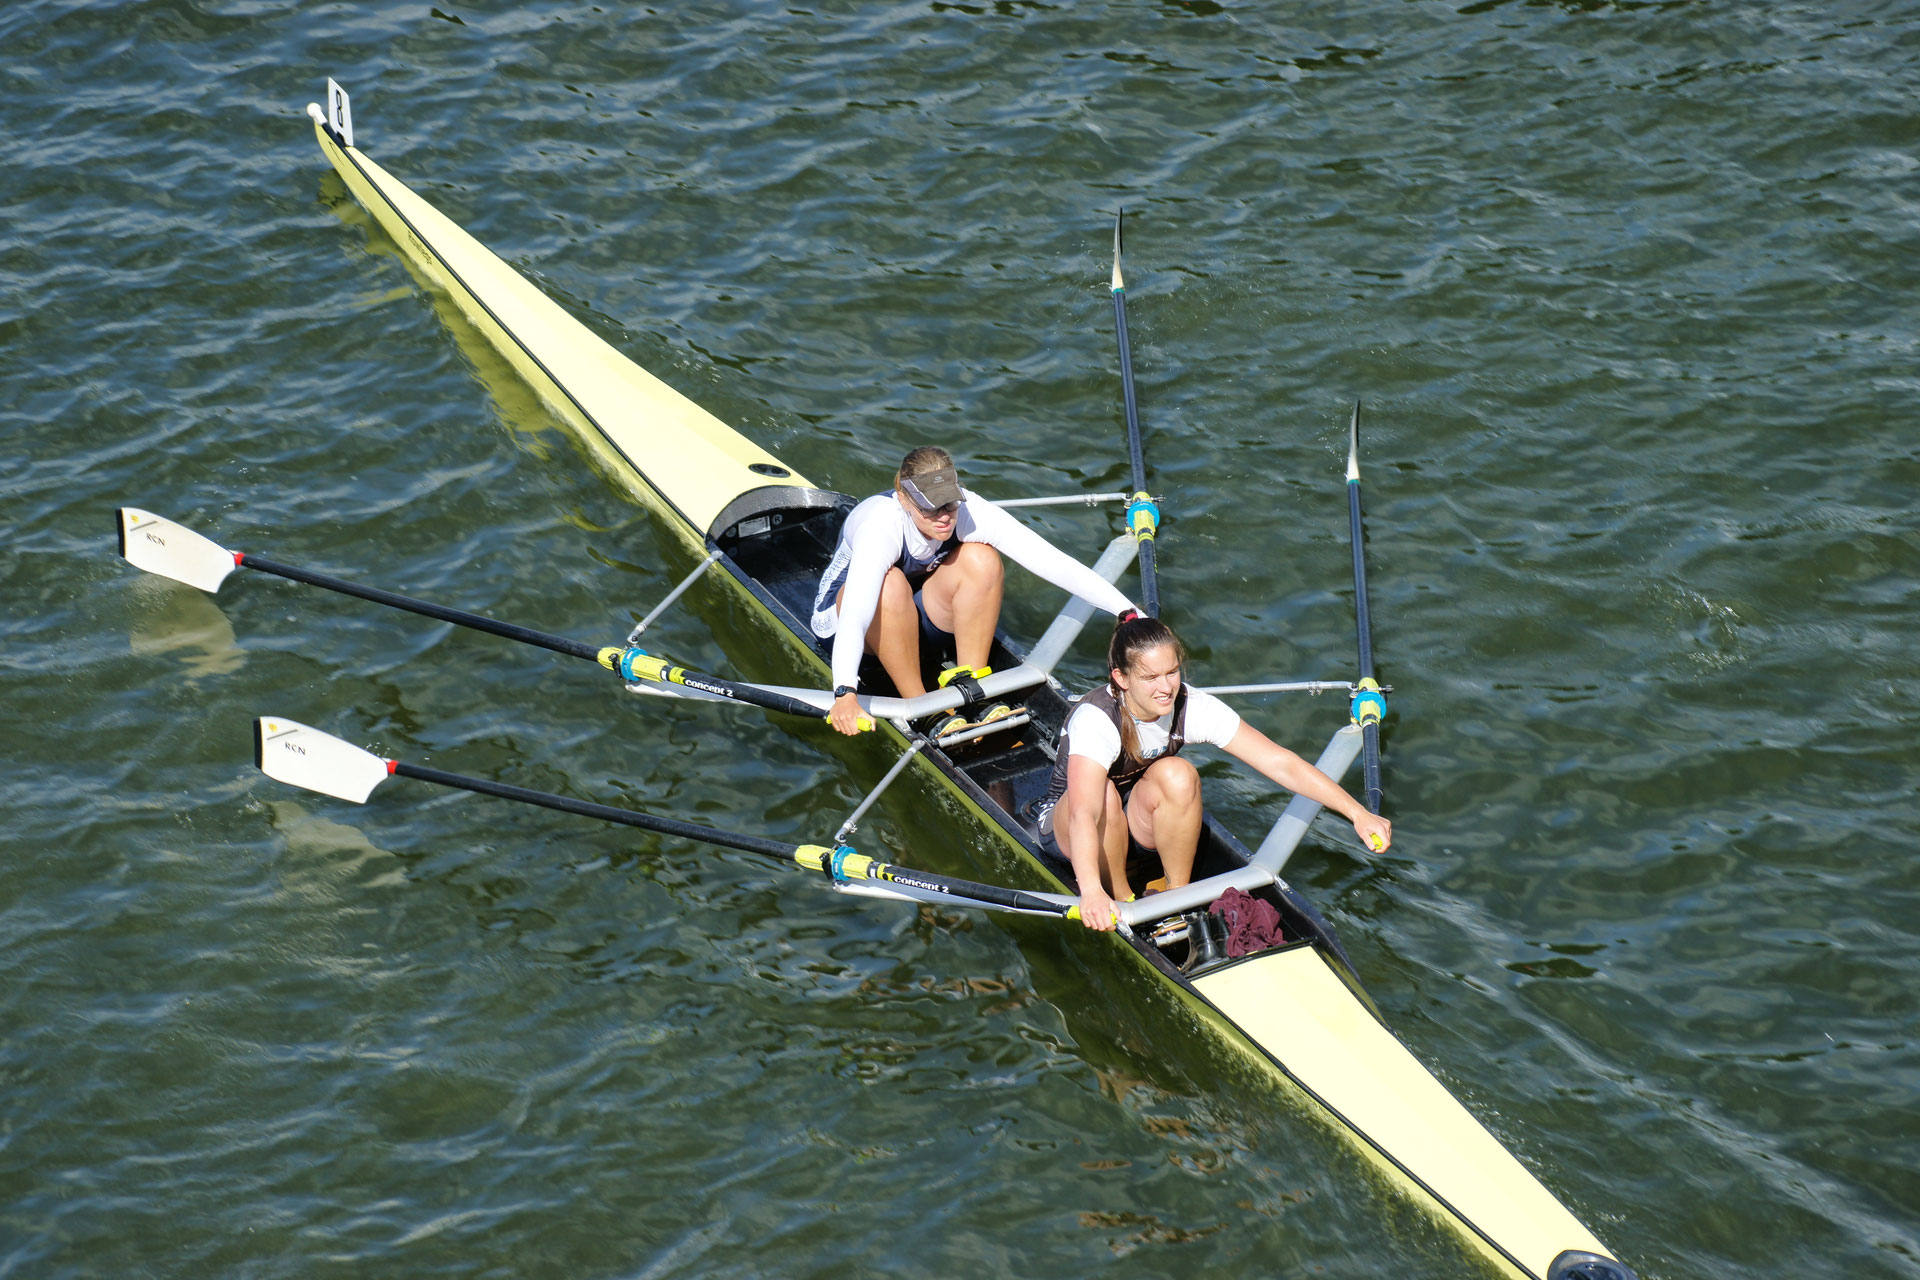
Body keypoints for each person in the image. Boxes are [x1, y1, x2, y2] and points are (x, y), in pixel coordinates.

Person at [1036, 614, 1392, 931]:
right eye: (1150, 677)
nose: (1166, 688)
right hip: (1069, 829)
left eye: (1172, 672)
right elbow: (1084, 813)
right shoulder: (1097, 719)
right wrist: (1091, 891)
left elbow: (1279, 762)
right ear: (1122, 678)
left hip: (1133, 822)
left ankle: (1176, 896)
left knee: (1180, 775)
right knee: (1104, 796)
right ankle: (1123, 901)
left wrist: (1356, 813)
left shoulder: (1190, 706)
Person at [813, 446, 1138, 737]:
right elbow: (856, 613)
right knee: (889, 584)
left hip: (916, 617)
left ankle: (971, 687)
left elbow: (1053, 562)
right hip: (848, 625)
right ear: (904, 499)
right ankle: (923, 709)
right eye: (930, 508)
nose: (943, 517)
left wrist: (1128, 612)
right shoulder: (878, 525)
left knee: (981, 559)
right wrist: (844, 692)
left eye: (950, 504)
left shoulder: (968, 511)